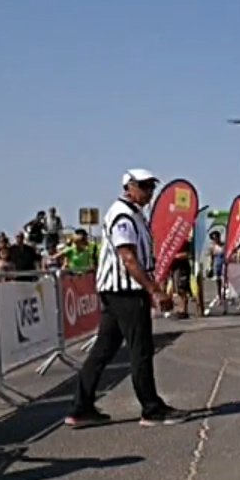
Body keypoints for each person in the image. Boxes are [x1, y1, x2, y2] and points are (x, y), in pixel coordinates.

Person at [69, 170, 179, 427]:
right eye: (144, 187)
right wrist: (154, 290)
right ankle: (151, 408)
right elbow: (128, 257)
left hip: (121, 291)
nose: (149, 193)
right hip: (125, 291)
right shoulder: (122, 215)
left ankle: (80, 407)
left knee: (103, 350)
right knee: (140, 349)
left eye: (152, 187)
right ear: (129, 187)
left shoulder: (135, 214)